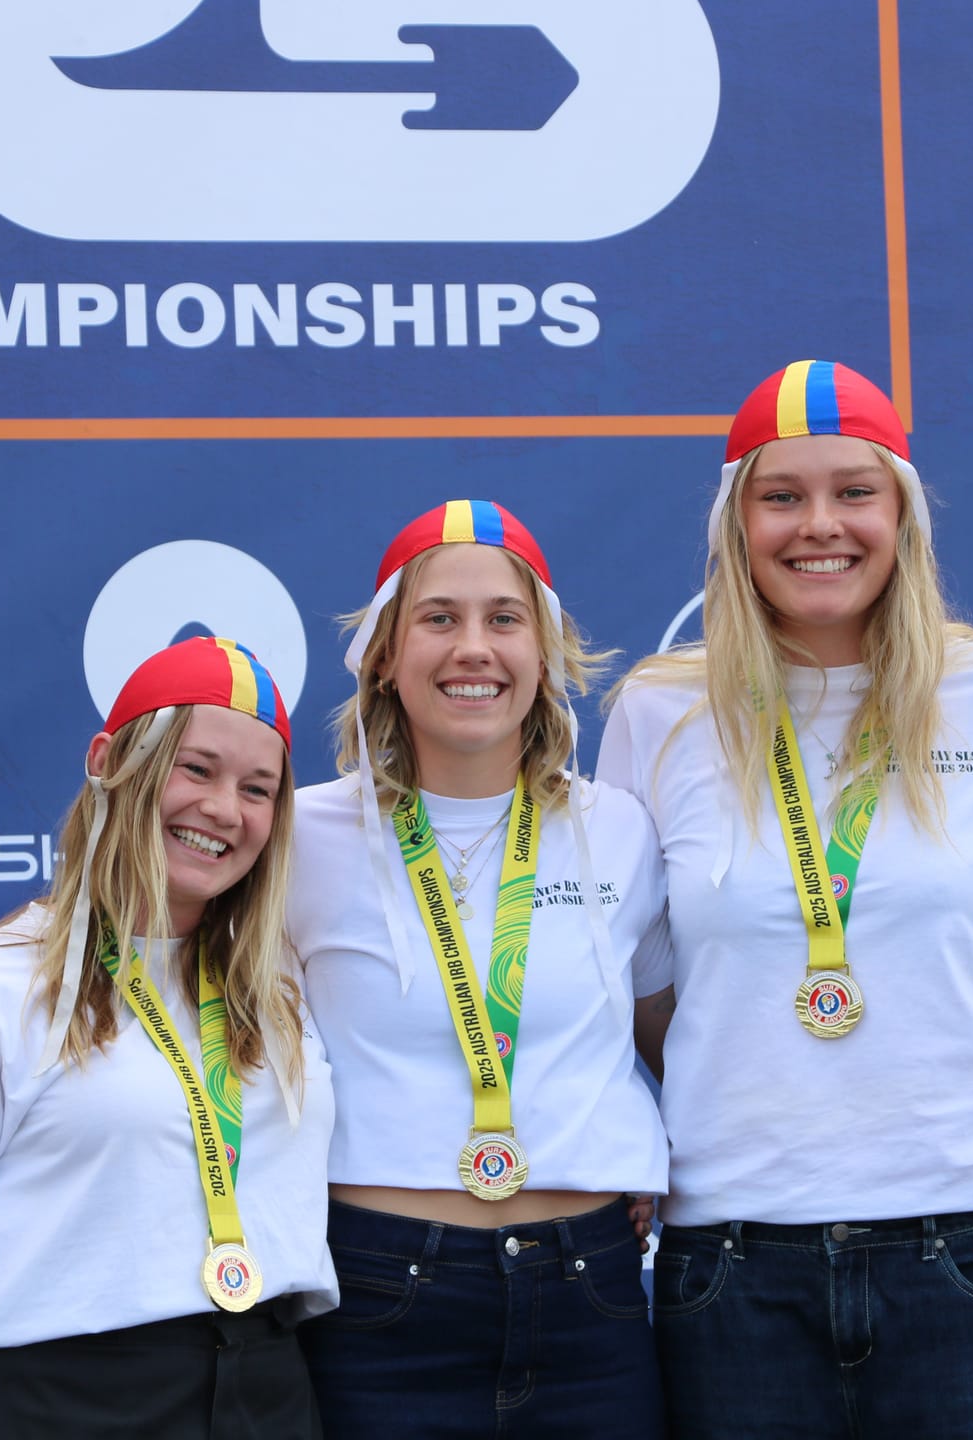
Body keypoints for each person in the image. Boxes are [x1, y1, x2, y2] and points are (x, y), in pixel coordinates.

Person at [599, 361, 973, 1438]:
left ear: (901, 512)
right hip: (732, 1255)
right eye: (784, 496)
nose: (821, 525)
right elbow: (636, 978)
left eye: (855, 491)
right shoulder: (658, 713)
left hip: (970, 1241)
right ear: (737, 524)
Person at [0, 637, 335, 1440]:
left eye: (259, 788)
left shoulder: (278, 990)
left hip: (267, 1389)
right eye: (197, 770)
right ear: (111, 759)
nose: (225, 809)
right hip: (61, 1402)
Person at [291, 500, 670, 1437]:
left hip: (592, 1294)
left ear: (543, 655)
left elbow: (681, 1026)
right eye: (438, 618)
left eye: (504, 619)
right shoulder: (298, 837)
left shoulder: (620, 829)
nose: (474, 648)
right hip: (381, 1296)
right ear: (384, 654)